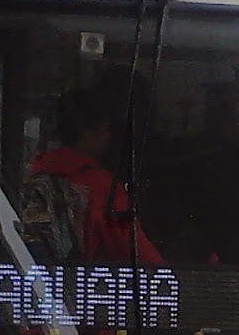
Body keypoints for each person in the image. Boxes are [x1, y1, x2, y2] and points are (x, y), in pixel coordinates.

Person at [28, 83, 164, 265]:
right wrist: (172, 282)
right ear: (87, 133)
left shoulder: (31, 172)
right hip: (77, 286)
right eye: (105, 129)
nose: (108, 136)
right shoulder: (103, 186)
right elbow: (135, 251)